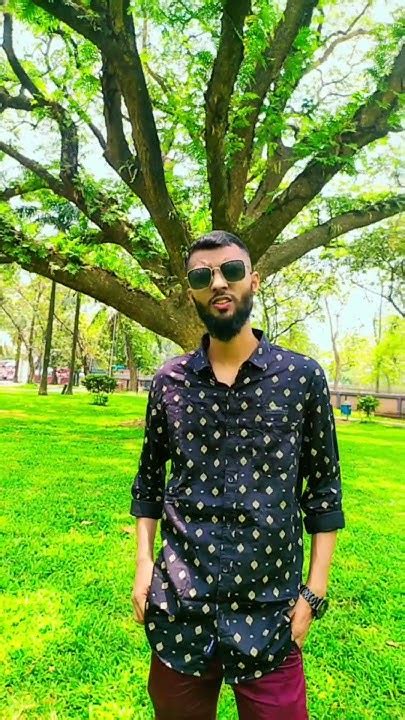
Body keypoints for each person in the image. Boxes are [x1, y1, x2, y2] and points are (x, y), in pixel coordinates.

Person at [130, 230, 345, 720]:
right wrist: (143, 565)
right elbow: (148, 484)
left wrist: (314, 591)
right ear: (191, 292)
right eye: (202, 276)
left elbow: (324, 490)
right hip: (181, 605)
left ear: (254, 280)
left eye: (231, 270)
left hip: (271, 610)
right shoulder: (169, 382)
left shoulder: (301, 378)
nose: (218, 283)